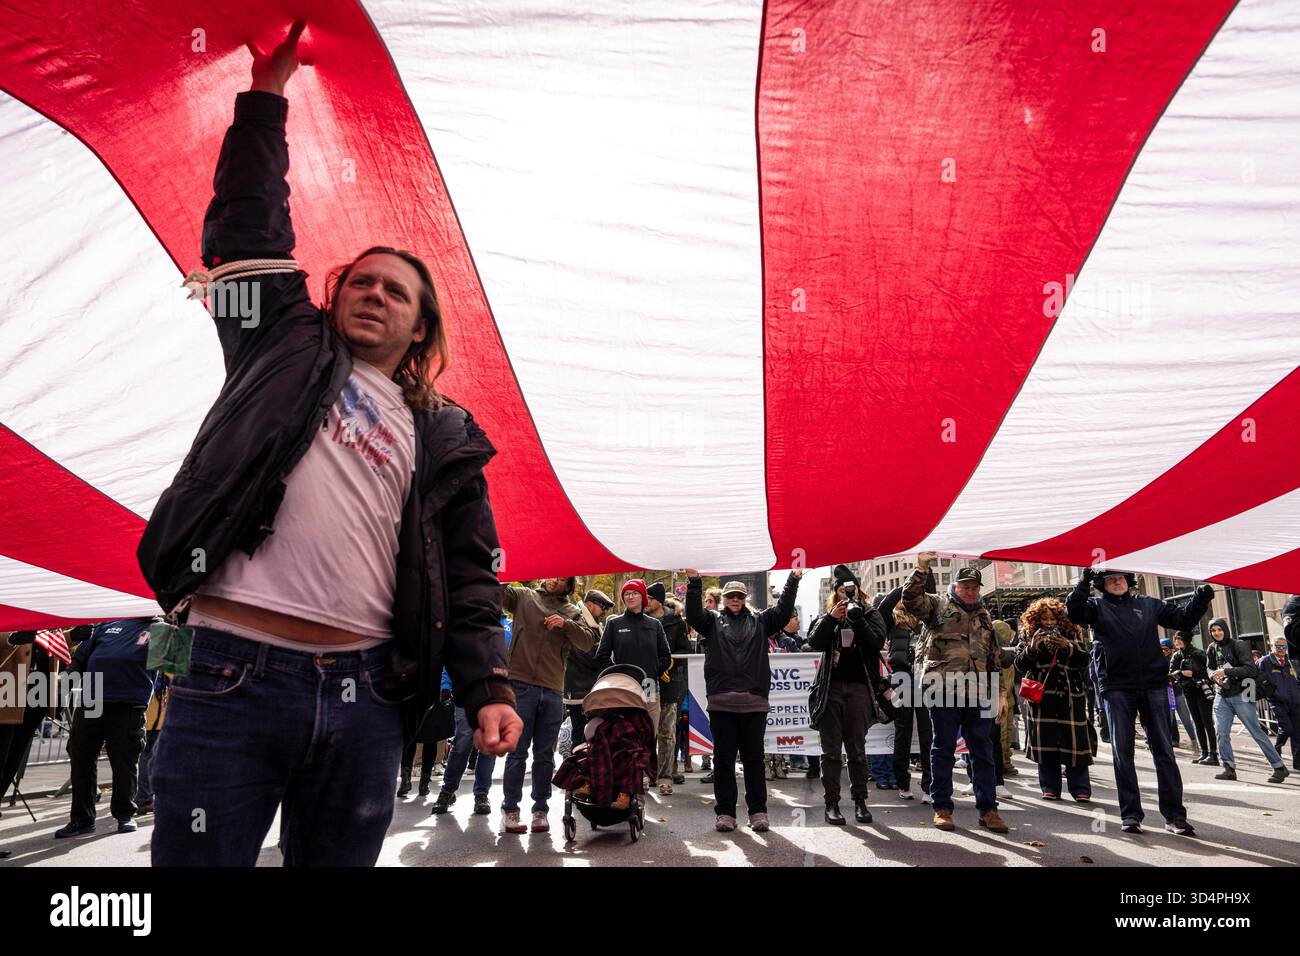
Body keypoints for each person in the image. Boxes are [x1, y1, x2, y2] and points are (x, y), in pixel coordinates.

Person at [137, 22, 521, 866]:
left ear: (422, 327)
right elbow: (246, 231)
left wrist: (488, 685)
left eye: (397, 291)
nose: (374, 294)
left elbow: (468, 574)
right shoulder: (278, 342)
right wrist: (267, 97)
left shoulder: (448, 435)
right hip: (226, 677)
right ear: (331, 293)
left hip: (365, 698)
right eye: (360, 281)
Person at [1066, 569, 1212, 835]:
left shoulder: (1149, 604)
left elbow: (1184, 618)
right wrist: (1083, 582)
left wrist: (1200, 597)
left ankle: (1175, 816)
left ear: (1129, 581)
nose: (1117, 581)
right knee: (1123, 752)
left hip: (1154, 685)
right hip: (1116, 686)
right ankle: (1131, 814)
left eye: (1121, 577)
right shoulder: (1095, 607)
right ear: (1102, 584)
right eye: (1110, 579)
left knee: (1164, 751)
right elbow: (1074, 612)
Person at [685, 569, 801, 833]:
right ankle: (725, 813)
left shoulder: (762, 621)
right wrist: (694, 584)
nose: (735, 600)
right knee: (723, 759)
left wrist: (793, 579)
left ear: (745, 598)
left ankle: (758, 811)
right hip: (721, 702)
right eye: (730, 596)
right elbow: (692, 614)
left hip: (754, 701)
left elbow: (783, 611)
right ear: (724, 599)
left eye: (739, 596)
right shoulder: (711, 621)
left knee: (754, 760)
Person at [903, 554, 1009, 835]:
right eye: (965, 586)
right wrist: (921, 568)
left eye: (974, 587)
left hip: (979, 692)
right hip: (943, 690)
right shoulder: (937, 605)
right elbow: (911, 600)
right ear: (955, 586)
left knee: (983, 751)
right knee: (943, 748)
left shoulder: (985, 616)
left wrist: (1000, 694)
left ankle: (988, 810)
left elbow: (994, 658)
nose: (970, 591)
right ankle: (942, 808)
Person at [501, 577, 599, 834]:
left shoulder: (573, 611)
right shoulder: (523, 596)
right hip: (520, 685)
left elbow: (588, 642)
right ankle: (510, 810)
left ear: (569, 584)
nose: (555, 579)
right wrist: (504, 570)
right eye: (552, 574)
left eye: (562, 577)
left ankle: (540, 810)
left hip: (554, 689)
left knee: (545, 755)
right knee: (518, 751)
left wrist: (566, 625)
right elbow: (495, 595)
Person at [55, 617, 156, 838]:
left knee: (124, 762)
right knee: (81, 757)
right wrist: (68, 675)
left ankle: (125, 815)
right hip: (91, 702)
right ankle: (81, 820)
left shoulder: (161, 629)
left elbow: (173, 665)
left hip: (129, 704)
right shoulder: (106, 624)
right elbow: (80, 657)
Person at [808, 565, 886, 824]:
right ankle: (831, 803)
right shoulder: (827, 615)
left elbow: (875, 644)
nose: (847, 596)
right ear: (835, 594)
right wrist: (832, 618)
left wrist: (858, 618)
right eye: (842, 591)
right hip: (831, 690)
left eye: (851, 591)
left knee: (857, 750)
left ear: (858, 591)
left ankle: (861, 802)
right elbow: (814, 642)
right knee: (830, 751)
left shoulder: (870, 612)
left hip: (860, 689)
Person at [1014, 598, 1095, 801]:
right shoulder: (1028, 634)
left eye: (1053, 618)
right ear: (1036, 619)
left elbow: (1085, 660)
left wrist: (1068, 646)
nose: (1049, 622)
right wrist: (1032, 648)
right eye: (1044, 618)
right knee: (1045, 743)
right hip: (1041, 696)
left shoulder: (1073, 632)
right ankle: (1050, 787)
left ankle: (1080, 788)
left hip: (1070, 695)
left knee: (1075, 743)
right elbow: (1018, 665)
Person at [1205, 617, 1289, 783]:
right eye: (1213, 630)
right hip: (1221, 694)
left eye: (1219, 629)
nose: (1216, 633)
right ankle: (1228, 768)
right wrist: (1214, 677)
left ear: (1225, 629)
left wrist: (1225, 672)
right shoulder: (1212, 648)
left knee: (1256, 732)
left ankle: (1279, 767)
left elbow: (1250, 669)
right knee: (1220, 732)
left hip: (1243, 693)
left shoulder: (1239, 645)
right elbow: (1209, 668)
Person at [876, 588, 932, 802]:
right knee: (903, 733)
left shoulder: (925, 618)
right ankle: (903, 782)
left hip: (925, 679)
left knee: (928, 734)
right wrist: (905, 587)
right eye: (901, 599)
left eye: (908, 598)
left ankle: (929, 786)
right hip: (900, 679)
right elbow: (883, 608)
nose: (903, 601)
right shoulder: (890, 620)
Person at [646, 582, 692, 793]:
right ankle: (647, 775)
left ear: (658, 600)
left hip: (670, 685)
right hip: (646, 685)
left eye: (649, 598)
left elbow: (686, 654)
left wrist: (668, 667)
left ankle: (665, 776)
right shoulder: (640, 620)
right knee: (646, 732)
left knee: (667, 732)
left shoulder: (676, 623)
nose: (645, 602)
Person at [565, 590, 615, 749]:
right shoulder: (578, 621)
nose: (604, 612)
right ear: (590, 604)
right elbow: (586, 654)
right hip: (579, 687)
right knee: (580, 734)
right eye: (603, 607)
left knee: (590, 733)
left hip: (588, 687)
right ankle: (577, 769)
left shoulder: (593, 624)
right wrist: (605, 658)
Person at [1171, 632, 1218, 764]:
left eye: (1180, 639)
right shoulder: (1176, 655)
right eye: (1176, 639)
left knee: (1207, 722)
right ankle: (1204, 753)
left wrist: (1194, 673)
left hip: (1202, 691)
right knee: (1197, 723)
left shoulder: (1198, 653)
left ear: (1186, 639)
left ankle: (1213, 754)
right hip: (1188, 691)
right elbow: (1172, 673)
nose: (1178, 641)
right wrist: (1181, 673)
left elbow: (1209, 670)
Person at [1259, 636, 1300, 770]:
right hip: (1277, 701)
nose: (1281, 649)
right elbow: (1256, 676)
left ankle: (1298, 763)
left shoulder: (1292, 661)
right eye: (1278, 646)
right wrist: (1268, 691)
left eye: (1284, 646)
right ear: (1272, 646)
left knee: (1297, 733)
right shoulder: (1265, 661)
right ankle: (1277, 748)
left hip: (1295, 702)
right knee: (1287, 728)